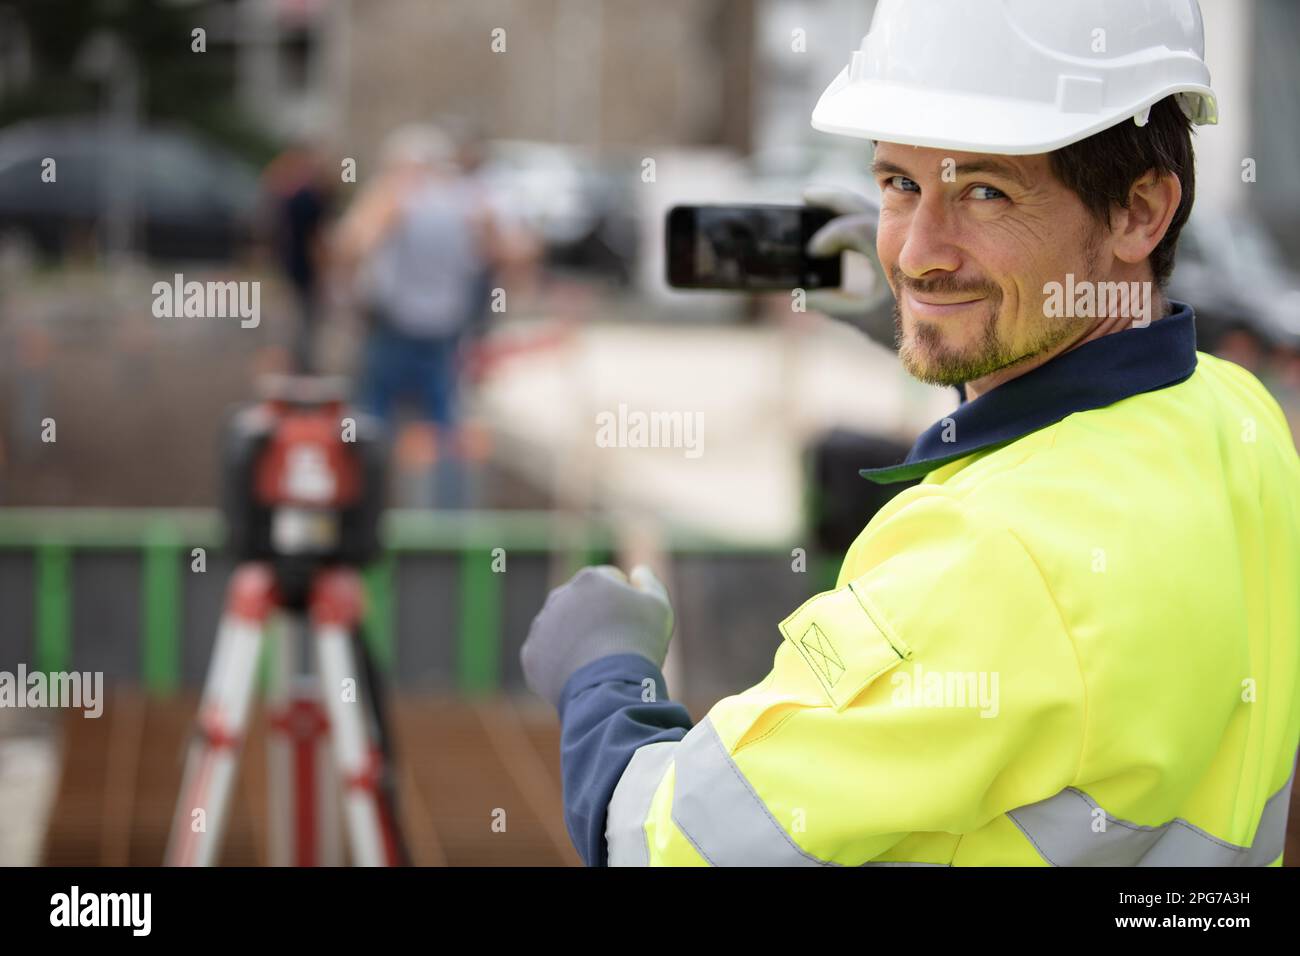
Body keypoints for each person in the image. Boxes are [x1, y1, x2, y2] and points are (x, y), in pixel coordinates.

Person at [520, 0, 1300, 866]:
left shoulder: (988, 560)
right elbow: (1075, 439)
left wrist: (602, 667)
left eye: (985, 192)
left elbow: (655, 844)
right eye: (900, 183)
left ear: (1139, 212)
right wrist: (962, 338)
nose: (917, 251)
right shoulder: (1240, 419)